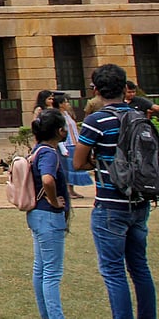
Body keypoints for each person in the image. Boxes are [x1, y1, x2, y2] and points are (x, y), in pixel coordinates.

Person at [73, 63, 155, 319]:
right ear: (124, 88)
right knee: (140, 267)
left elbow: (78, 162)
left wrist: (98, 162)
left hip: (110, 204)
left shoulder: (96, 120)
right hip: (139, 201)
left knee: (113, 271)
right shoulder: (139, 116)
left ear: (96, 90)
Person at [25, 108, 71, 319]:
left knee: (41, 269)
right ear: (59, 131)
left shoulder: (37, 150)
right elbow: (47, 179)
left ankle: (47, 314)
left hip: (37, 214)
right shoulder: (49, 153)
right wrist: (53, 200)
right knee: (52, 273)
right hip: (49, 216)